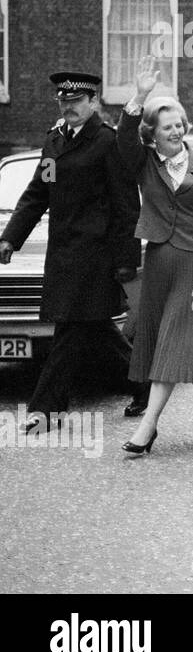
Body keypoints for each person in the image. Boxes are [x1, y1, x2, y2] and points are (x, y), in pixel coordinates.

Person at [0, 71, 144, 432]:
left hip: (97, 257)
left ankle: (45, 410)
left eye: (76, 102)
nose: (69, 108)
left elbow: (126, 205)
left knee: (68, 330)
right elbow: (37, 194)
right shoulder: (54, 142)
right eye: (63, 102)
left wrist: (128, 261)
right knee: (94, 330)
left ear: (93, 102)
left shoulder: (107, 142)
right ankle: (145, 384)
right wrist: (10, 238)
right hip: (63, 255)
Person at [116, 60, 193, 454]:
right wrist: (139, 95)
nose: (174, 131)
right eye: (166, 126)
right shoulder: (143, 162)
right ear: (152, 133)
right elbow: (123, 138)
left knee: (177, 340)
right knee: (178, 345)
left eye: (179, 124)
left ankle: (148, 426)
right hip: (160, 261)